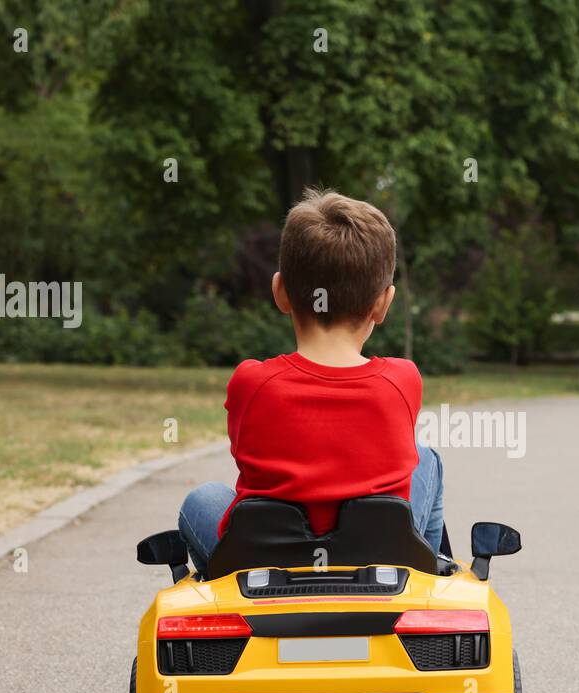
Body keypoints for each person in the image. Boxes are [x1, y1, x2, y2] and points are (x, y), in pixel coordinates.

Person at [177, 188, 444, 577]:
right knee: (427, 458)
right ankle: (423, 582)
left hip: (264, 564)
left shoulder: (251, 382)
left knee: (202, 499)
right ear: (383, 303)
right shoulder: (403, 380)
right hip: (377, 559)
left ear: (280, 291)